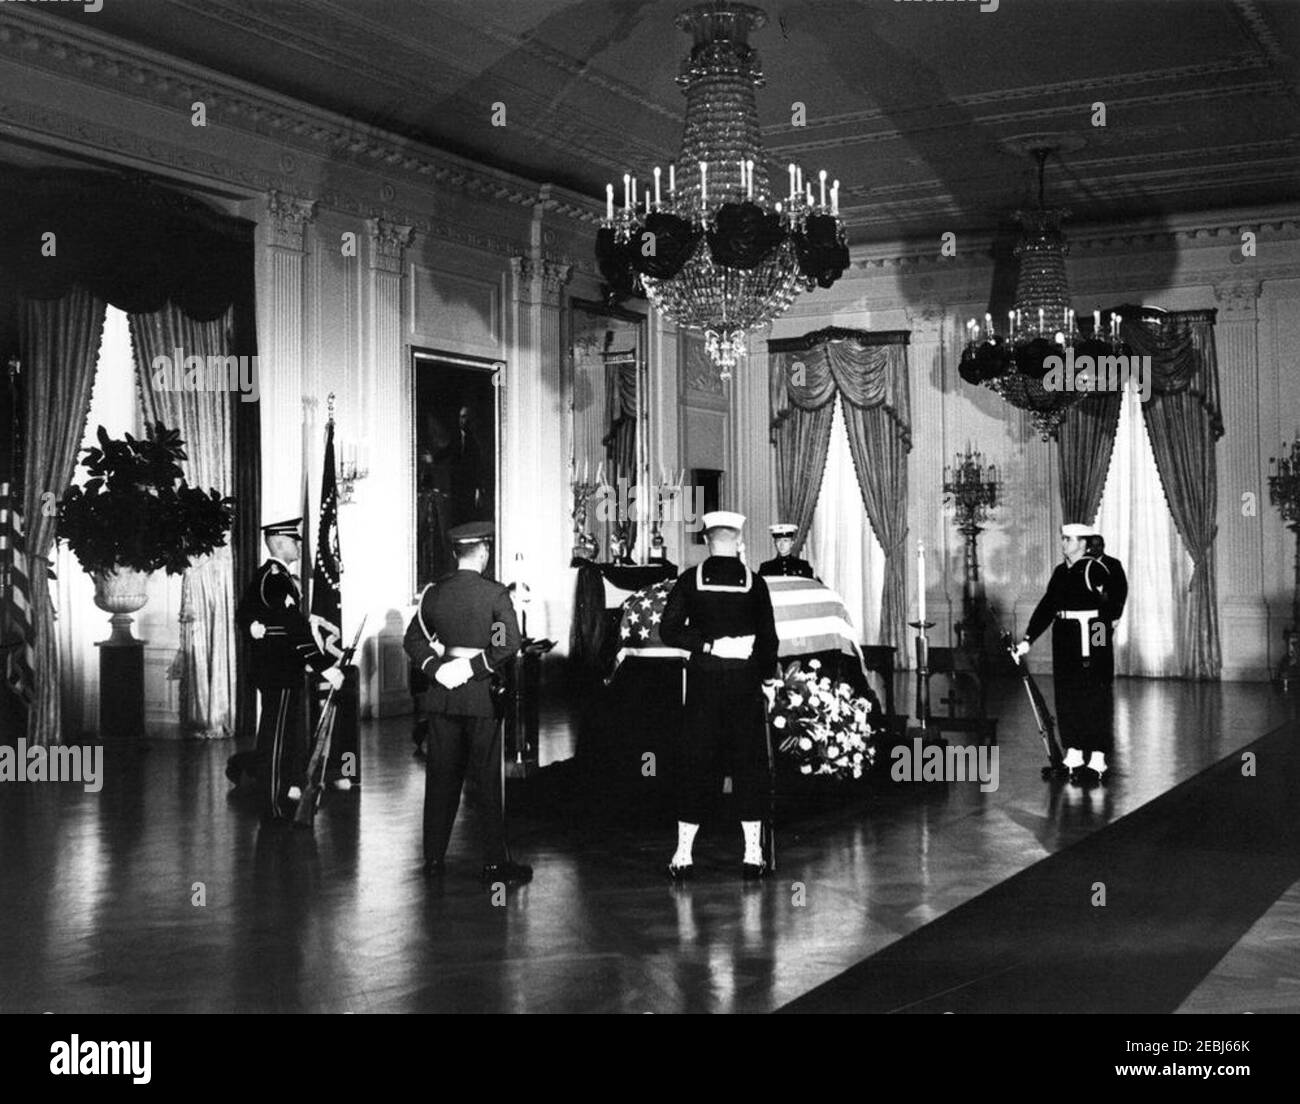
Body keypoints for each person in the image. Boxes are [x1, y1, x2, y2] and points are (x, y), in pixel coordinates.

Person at [403, 522, 529, 884]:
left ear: (456, 552)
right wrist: (472, 668)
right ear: (484, 551)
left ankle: (433, 860)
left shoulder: (433, 594)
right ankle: (494, 864)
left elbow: (414, 641)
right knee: (488, 781)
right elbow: (506, 644)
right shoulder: (494, 595)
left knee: (440, 779)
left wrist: (437, 669)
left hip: (442, 697)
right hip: (480, 697)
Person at [659, 511, 780, 881]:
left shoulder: (689, 580)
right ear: (738, 541)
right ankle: (752, 855)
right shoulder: (756, 583)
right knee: (749, 765)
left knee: (696, 764)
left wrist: (708, 645)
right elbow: (769, 639)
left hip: (704, 686)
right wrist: (767, 680)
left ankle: (682, 855)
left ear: (708, 541)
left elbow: (668, 630)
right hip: (744, 684)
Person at [228, 518, 344, 820]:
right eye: (294, 541)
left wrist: (251, 624)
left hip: (280, 668)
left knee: (283, 735)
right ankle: (273, 804)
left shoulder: (272, 576)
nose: (298, 546)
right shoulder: (275, 577)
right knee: (276, 739)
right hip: (277, 670)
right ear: (279, 543)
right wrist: (324, 666)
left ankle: (284, 792)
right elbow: (293, 627)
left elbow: (247, 610)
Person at [1013, 523, 1117, 785]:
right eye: (1063, 539)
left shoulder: (1095, 569)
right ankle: (1074, 753)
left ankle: (1097, 757)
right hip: (1065, 638)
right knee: (1067, 695)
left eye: (1069, 539)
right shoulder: (1060, 572)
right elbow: (1047, 606)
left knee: (1094, 697)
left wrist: (1099, 647)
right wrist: (1027, 640)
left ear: (1083, 543)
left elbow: (1110, 607)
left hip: (1091, 638)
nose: (1063, 544)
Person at [1085, 533, 1129, 624]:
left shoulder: (1113, 564)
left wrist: (1116, 615)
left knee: (1099, 638)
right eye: (1092, 546)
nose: (1095, 549)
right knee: (1088, 638)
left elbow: (1121, 590)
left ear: (1103, 546)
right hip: (1086, 615)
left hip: (1105, 615)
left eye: (1098, 546)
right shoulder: (1083, 563)